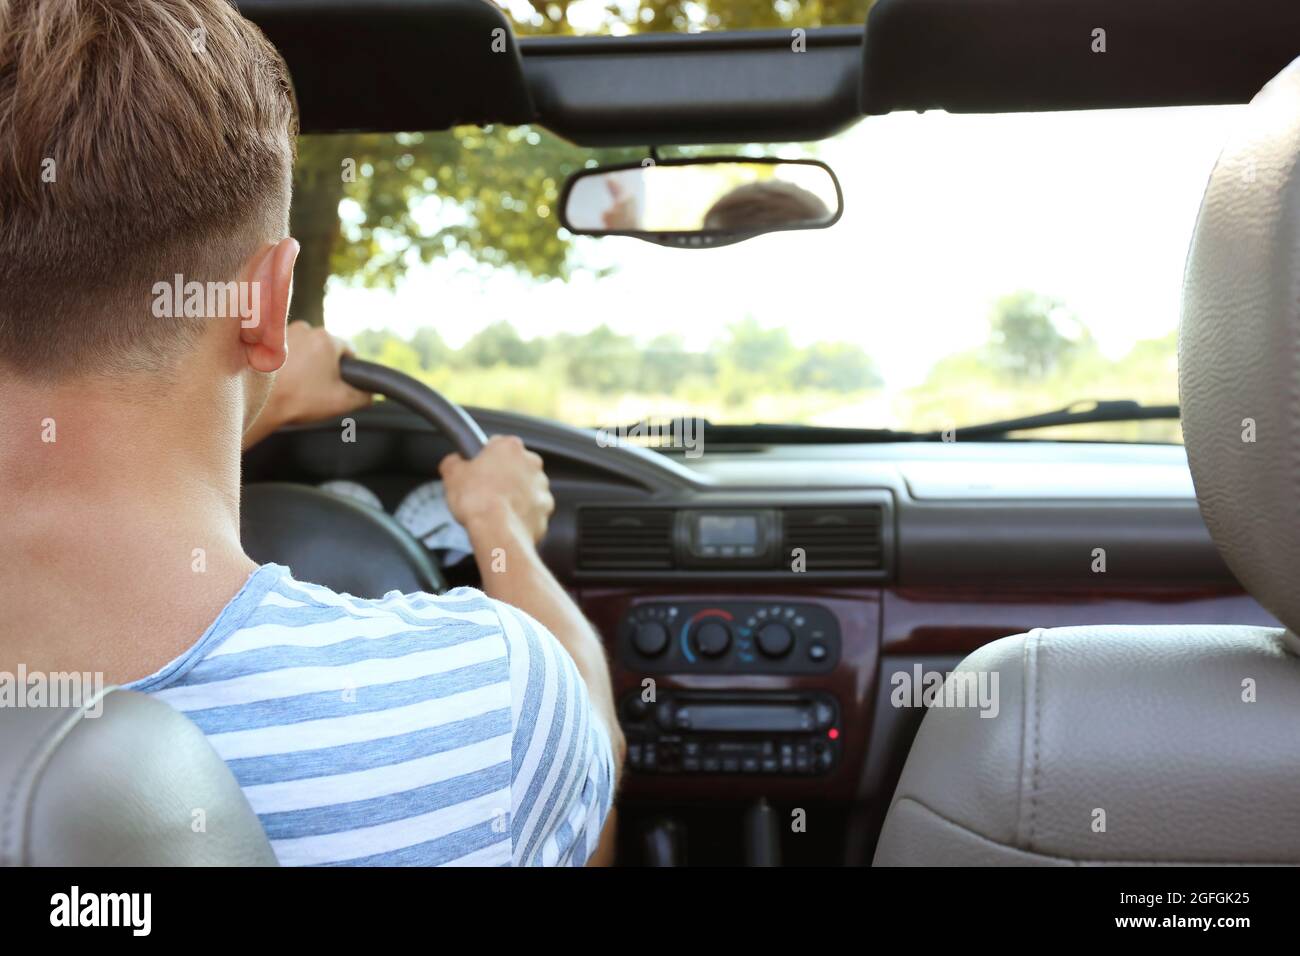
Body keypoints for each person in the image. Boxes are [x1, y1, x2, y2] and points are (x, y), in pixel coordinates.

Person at [0, 0, 622, 867]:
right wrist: (502, 530)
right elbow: (592, 777)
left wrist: (259, 394)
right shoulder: (491, 706)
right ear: (269, 302)